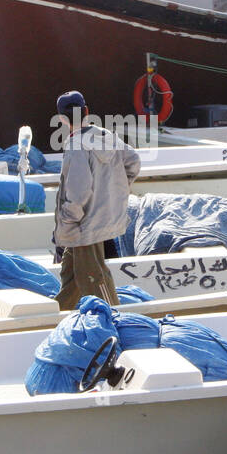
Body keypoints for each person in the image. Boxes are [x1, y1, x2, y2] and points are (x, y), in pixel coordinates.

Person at [52, 90, 141, 310]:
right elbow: (134, 162)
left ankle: (114, 319)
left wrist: (67, 222)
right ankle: (58, 316)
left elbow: (78, 194)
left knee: (93, 277)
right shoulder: (106, 136)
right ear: (87, 112)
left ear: (62, 119)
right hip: (101, 220)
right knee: (71, 276)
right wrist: (114, 195)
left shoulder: (76, 146)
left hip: (84, 226)